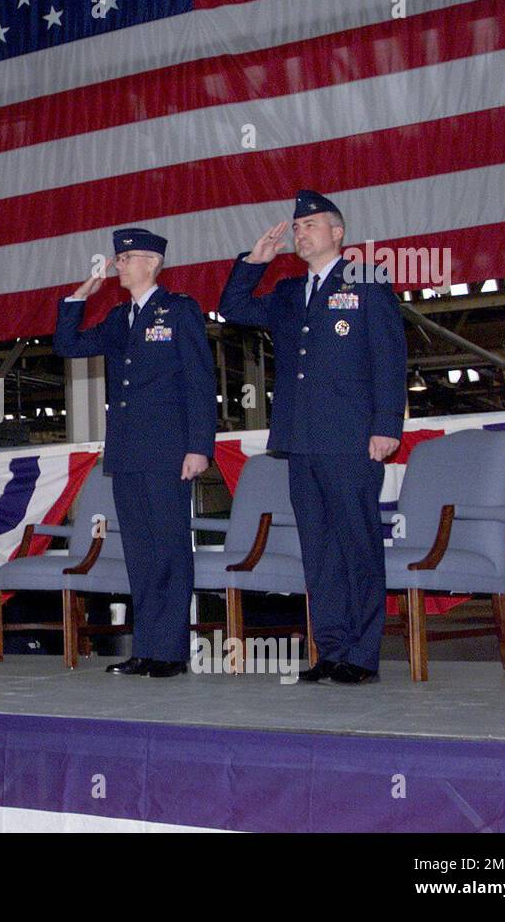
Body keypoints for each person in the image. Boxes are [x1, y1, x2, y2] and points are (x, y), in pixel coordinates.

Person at [219, 190, 407, 684]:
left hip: (351, 436)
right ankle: (332, 651)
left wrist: (387, 424)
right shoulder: (286, 293)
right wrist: (253, 262)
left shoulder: (368, 281)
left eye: (311, 225)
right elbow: (232, 307)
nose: (301, 233)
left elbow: (389, 356)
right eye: (297, 227)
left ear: (338, 232)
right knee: (319, 550)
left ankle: (363, 656)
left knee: (357, 545)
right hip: (301, 438)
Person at [54, 228, 216, 678]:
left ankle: (171, 652)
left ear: (151, 263)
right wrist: (77, 299)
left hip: (168, 451)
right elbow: (67, 345)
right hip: (127, 453)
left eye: (126, 258)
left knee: (169, 551)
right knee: (141, 555)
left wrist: (199, 446)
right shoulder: (117, 319)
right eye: (118, 258)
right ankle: (147, 647)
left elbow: (200, 382)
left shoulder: (179, 311)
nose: (118, 265)